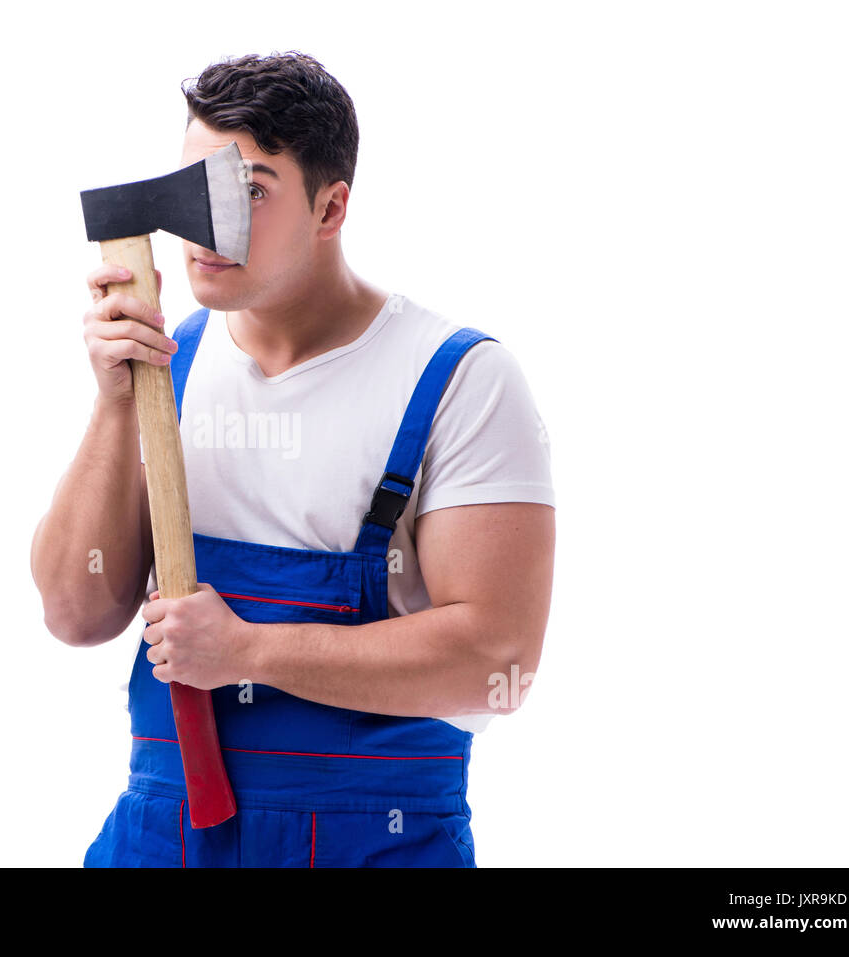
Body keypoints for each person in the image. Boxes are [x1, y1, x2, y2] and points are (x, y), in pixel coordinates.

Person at [31, 51, 555, 867]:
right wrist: (115, 400)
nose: (203, 223)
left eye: (249, 191)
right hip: (162, 837)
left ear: (331, 205)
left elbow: (500, 661)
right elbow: (75, 611)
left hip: (374, 844)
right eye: (192, 186)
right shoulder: (175, 362)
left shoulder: (459, 380)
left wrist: (248, 652)